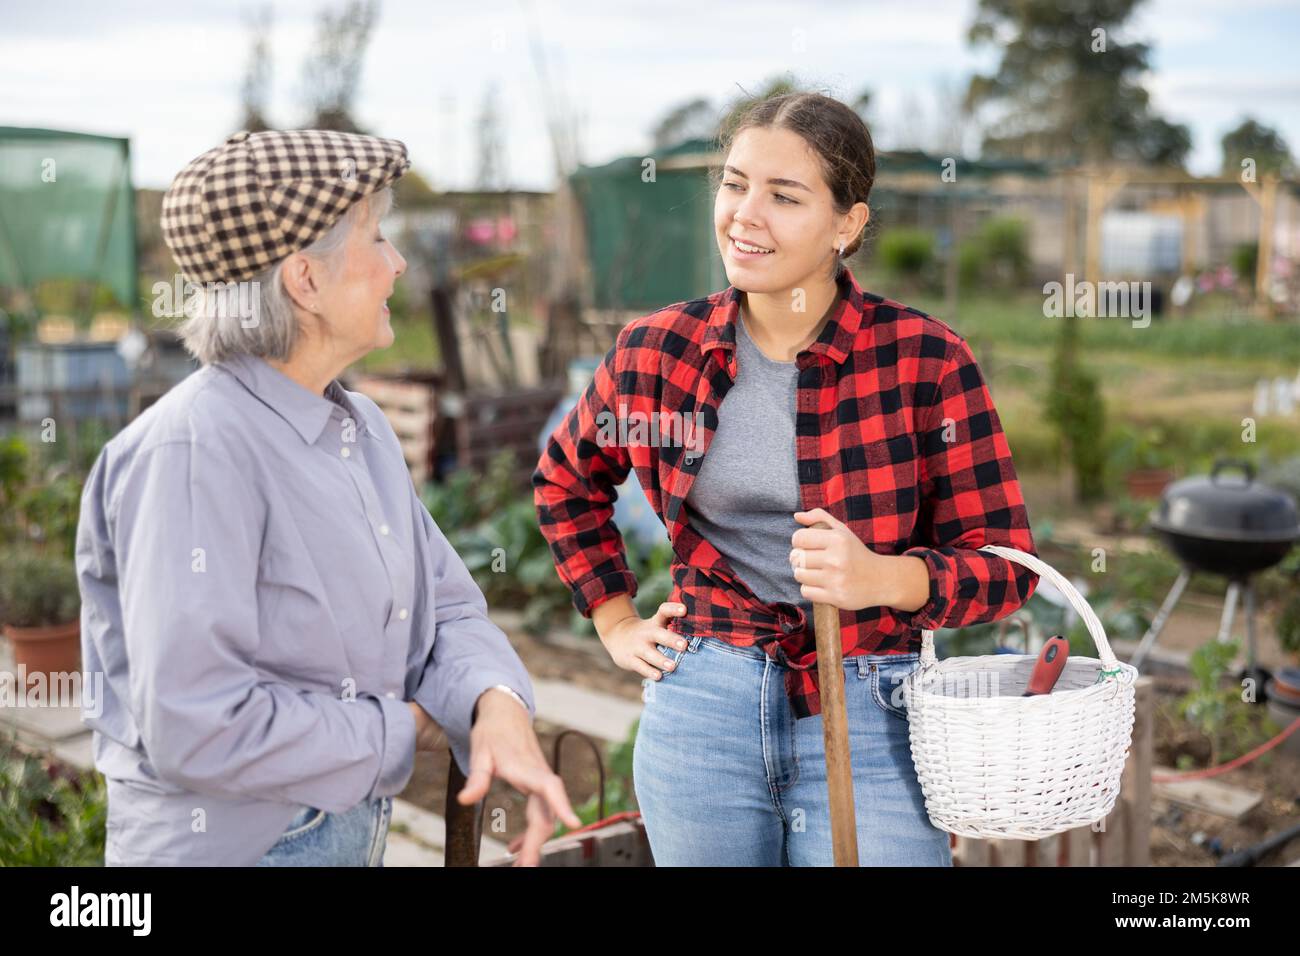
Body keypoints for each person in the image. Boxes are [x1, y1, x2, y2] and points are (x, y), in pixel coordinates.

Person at [533, 92, 1040, 866]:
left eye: (784, 195)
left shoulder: (924, 362)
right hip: (704, 703)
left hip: (871, 710)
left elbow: (1005, 566)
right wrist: (613, 620)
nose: (745, 214)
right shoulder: (656, 352)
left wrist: (882, 576)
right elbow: (567, 479)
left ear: (848, 224)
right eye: (735, 184)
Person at [76, 129, 578, 867]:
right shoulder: (192, 455)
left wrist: (493, 704)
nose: (397, 264)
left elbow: (448, 609)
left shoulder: (359, 427)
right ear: (304, 281)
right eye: (376, 238)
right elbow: (197, 723)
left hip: (340, 834)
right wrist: (406, 729)